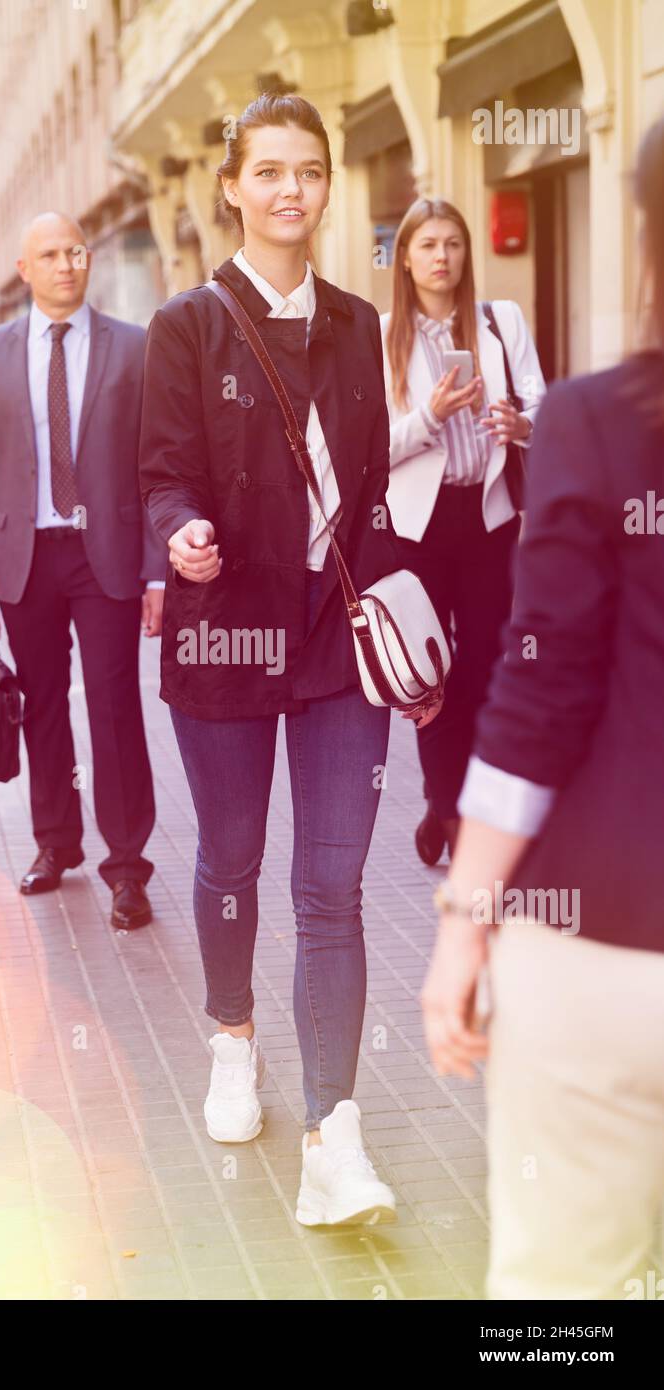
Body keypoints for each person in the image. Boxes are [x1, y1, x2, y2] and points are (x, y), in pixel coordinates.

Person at [140, 94, 439, 1227]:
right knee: (226, 861)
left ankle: (334, 1139)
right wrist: (181, 530)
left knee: (331, 887)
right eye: (266, 171)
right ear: (231, 186)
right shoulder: (187, 327)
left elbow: (367, 497)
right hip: (223, 634)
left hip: (329, 644)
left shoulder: (360, 323)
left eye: (307, 171)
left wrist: (410, 631)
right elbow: (159, 471)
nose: (288, 191)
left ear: (325, 185)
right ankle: (231, 1038)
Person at [421, 113, 664, 1298]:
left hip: (601, 944)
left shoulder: (598, 421)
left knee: (562, 1307)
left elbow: (540, 689)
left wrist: (463, 926)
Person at [0, 212, 166, 927]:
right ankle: (55, 844)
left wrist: (157, 572)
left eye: (75, 251)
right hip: (25, 558)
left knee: (114, 706)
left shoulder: (134, 348)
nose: (66, 264)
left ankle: (128, 866)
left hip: (104, 553)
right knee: (42, 703)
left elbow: (153, 468)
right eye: (49, 254)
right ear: (24, 268)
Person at [381, 198, 545, 860]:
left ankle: (470, 805)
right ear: (407, 258)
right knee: (429, 673)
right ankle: (443, 807)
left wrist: (522, 424)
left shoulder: (500, 321)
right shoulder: (384, 333)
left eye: (451, 244)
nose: (441, 257)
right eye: (427, 246)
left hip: (488, 517)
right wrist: (429, 415)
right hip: (418, 527)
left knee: (484, 664)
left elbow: (540, 397)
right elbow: (368, 451)